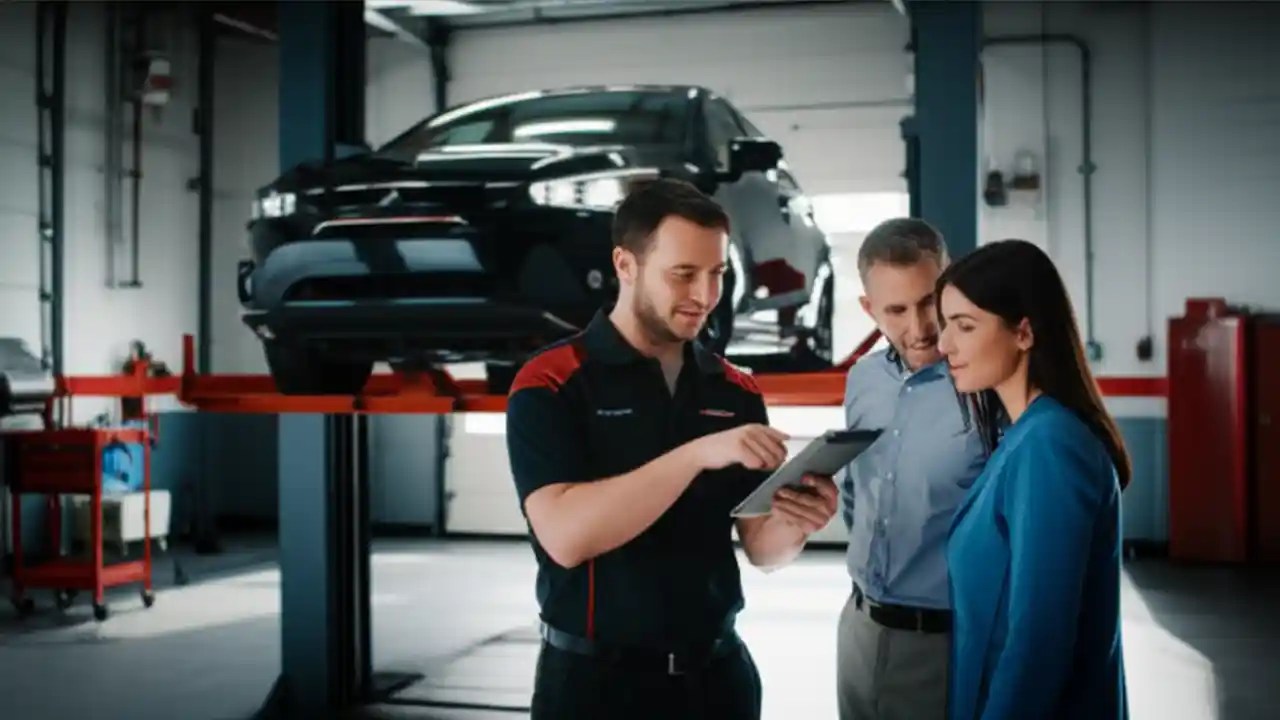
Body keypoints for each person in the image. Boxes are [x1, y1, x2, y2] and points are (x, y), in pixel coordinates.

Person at [504, 177, 840, 720]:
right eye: (684, 274)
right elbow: (566, 537)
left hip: (718, 682)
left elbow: (762, 550)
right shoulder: (552, 382)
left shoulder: (735, 390)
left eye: (718, 274)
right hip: (596, 690)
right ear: (626, 265)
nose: (706, 296)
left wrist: (798, 521)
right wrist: (696, 455)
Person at [936, 238, 1129, 720]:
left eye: (964, 326)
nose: (944, 345)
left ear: (1023, 332)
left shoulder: (1050, 447)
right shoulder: (1022, 436)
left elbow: (1038, 642)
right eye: (945, 326)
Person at [836, 218, 989, 720]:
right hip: (859, 629)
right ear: (869, 309)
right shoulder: (862, 380)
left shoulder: (986, 385)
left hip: (947, 639)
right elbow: (857, 493)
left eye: (928, 302)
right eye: (896, 310)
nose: (919, 328)